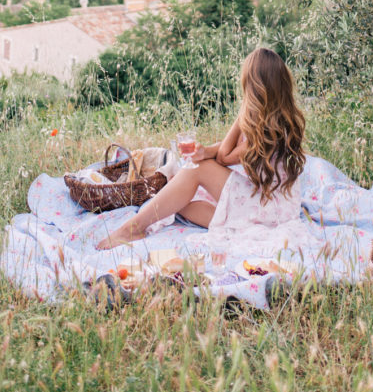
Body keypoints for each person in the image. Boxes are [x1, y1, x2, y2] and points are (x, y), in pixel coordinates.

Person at [96, 47, 307, 251]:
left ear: (253, 88)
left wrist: (242, 115)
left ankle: (132, 228)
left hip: (270, 209)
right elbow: (231, 149)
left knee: (197, 169)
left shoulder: (271, 131)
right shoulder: (274, 119)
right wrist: (205, 151)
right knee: (176, 199)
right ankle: (147, 221)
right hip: (270, 205)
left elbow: (225, 156)